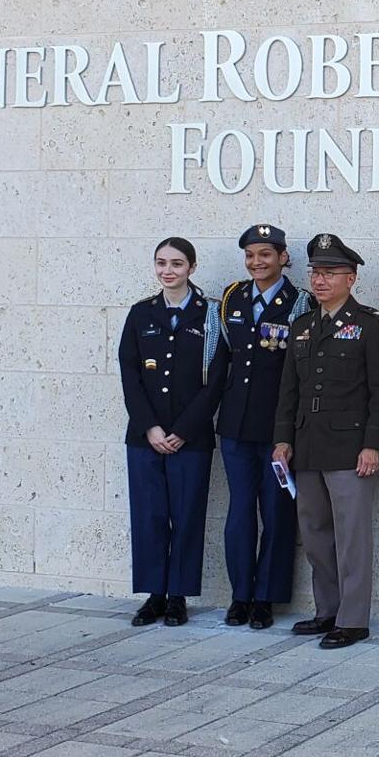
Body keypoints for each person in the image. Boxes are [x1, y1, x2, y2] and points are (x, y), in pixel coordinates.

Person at [272, 233, 379, 649]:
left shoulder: (371, 325)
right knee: (315, 533)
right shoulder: (303, 326)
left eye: (330, 273)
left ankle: (353, 619)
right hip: (307, 447)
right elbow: (288, 391)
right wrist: (282, 440)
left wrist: (374, 445)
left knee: (351, 536)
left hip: (350, 449)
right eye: (315, 272)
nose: (320, 280)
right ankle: (327, 610)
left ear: (352, 278)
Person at [210, 224, 311, 630]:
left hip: (277, 429)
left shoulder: (300, 302)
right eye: (251, 255)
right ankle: (240, 595)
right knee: (239, 513)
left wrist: (291, 431)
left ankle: (266, 598)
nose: (257, 262)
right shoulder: (233, 298)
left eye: (266, 254)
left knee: (276, 512)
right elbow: (225, 360)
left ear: (283, 257)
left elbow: (303, 369)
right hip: (235, 424)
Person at [118, 237, 219, 627]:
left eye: (177, 263)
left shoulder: (210, 315)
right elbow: (130, 374)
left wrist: (182, 430)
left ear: (191, 268)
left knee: (187, 515)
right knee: (150, 515)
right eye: (161, 263)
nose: (168, 271)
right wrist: (151, 427)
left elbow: (216, 378)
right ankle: (153, 593)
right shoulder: (141, 314)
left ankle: (178, 595)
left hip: (190, 439)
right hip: (145, 437)